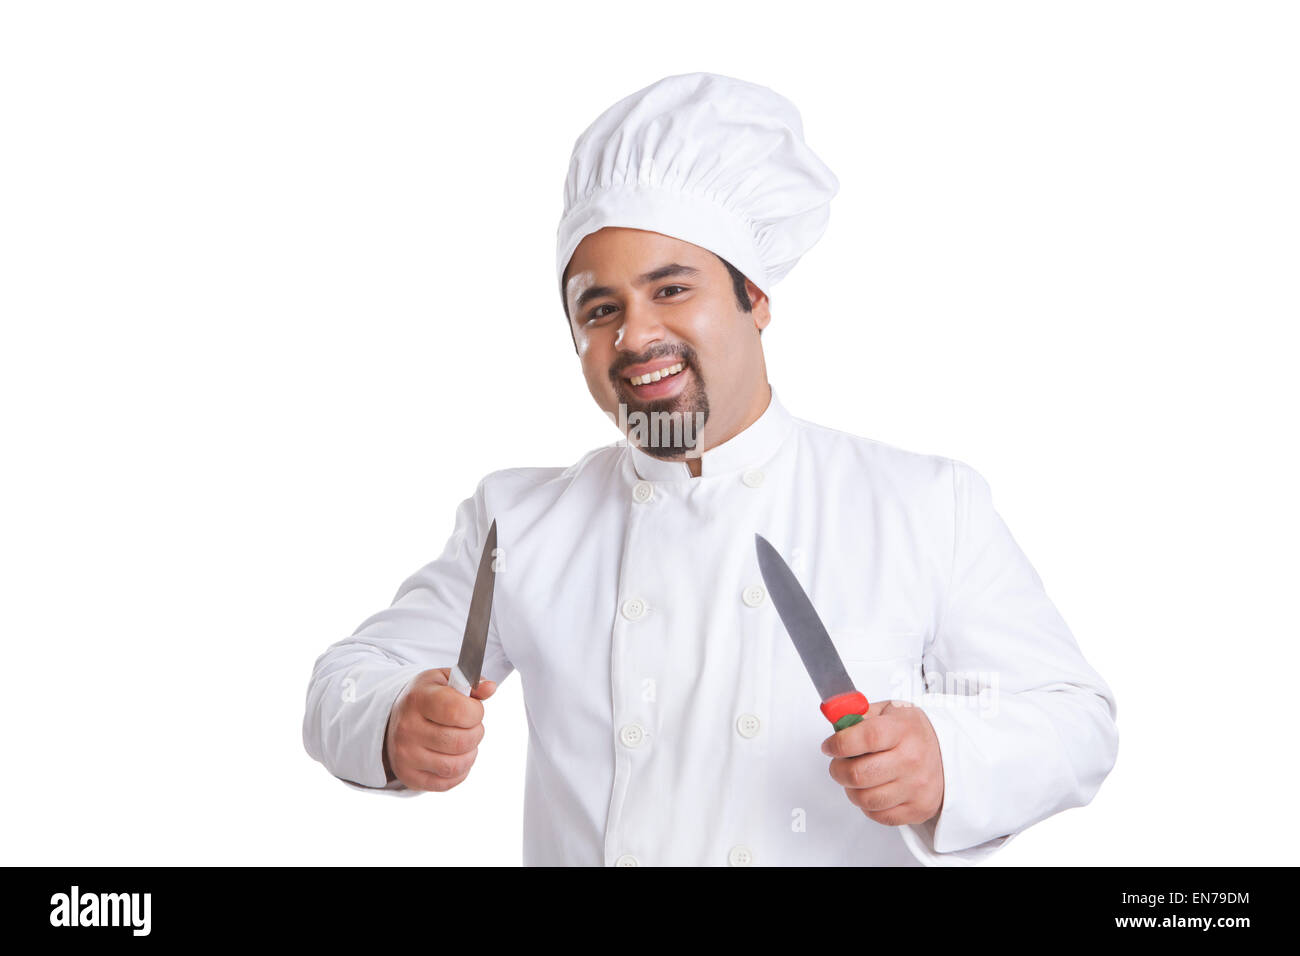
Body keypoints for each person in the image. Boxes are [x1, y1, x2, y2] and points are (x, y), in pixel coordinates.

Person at [302, 72, 1119, 866]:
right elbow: (344, 680)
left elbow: (1074, 720)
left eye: (671, 288)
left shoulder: (921, 504)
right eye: (599, 309)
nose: (634, 334)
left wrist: (951, 757)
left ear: (754, 298)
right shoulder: (517, 522)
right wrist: (391, 718)